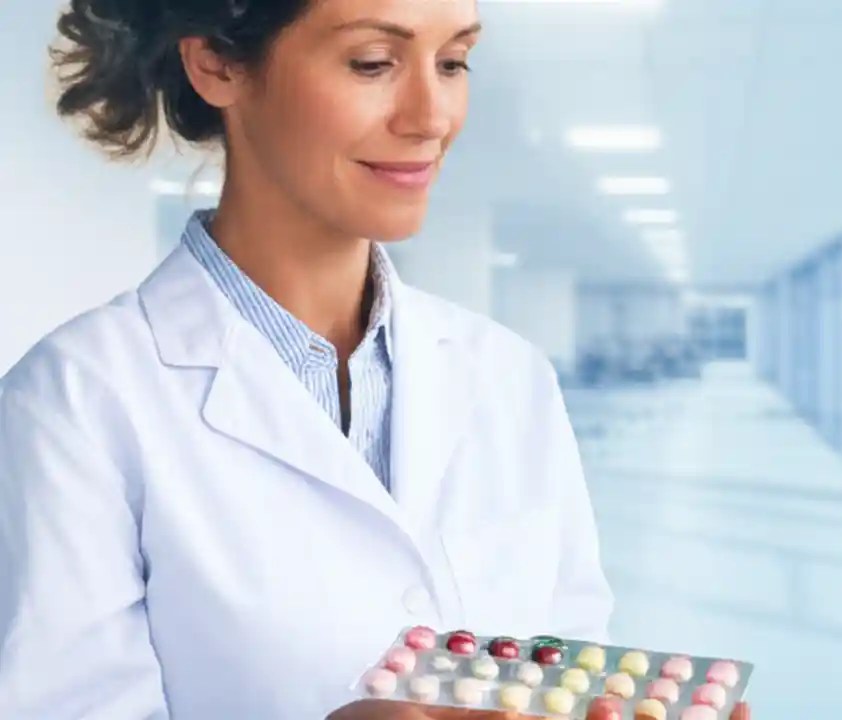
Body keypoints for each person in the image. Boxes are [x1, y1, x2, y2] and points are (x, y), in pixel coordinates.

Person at [0, 0, 751, 718]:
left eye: (454, 61)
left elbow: (572, 663)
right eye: (371, 63)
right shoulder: (76, 402)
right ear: (217, 66)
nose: (432, 118)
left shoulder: (508, 377)